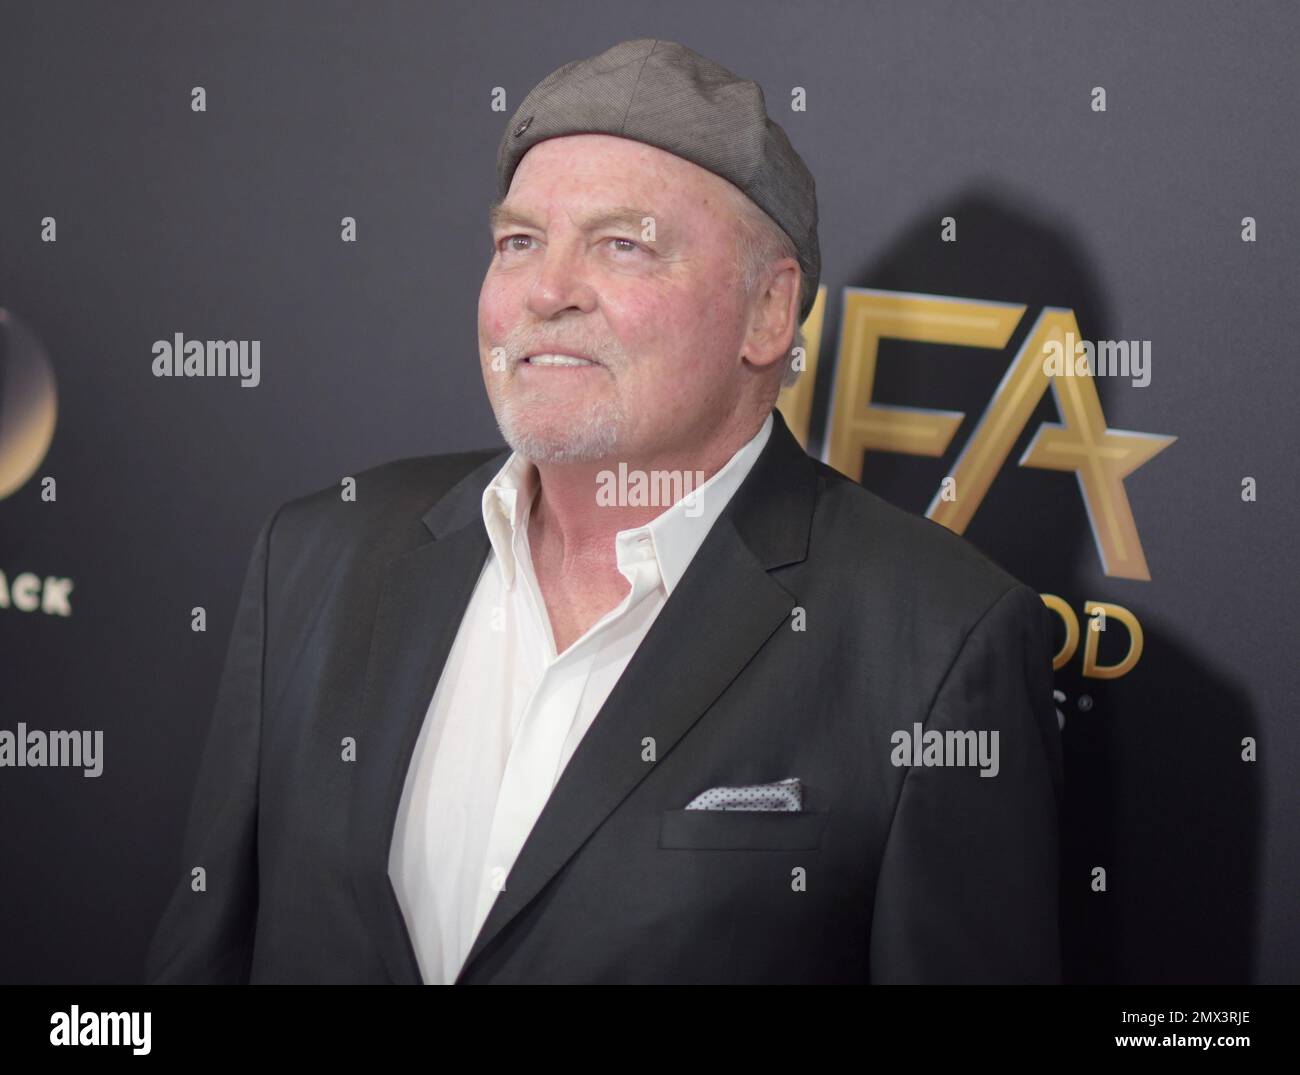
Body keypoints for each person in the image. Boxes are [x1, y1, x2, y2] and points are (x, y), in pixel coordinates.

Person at [146, 37, 1062, 985]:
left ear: (768, 313)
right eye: (519, 242)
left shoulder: (935, 641)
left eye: (623, 245)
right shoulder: (316, 556)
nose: (546, 292)